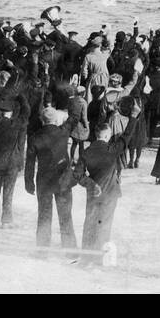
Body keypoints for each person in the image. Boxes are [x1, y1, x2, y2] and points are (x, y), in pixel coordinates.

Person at [76, 122, 129, 266]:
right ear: (106, 135)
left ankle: (86, 257)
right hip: (110, 194)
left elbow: (77, 175)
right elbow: (126, 137)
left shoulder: (86, 152)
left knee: (89, 224)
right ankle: (100, 259)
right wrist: (133, 118)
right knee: (105, 224)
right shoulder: (111, 149)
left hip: (93, 194)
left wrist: (91, 184)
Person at [32, 107, 78, 251]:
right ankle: (70, 251)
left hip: (44, 180)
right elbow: (73, 119)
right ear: (56, 120)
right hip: (62, 180)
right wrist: (74, 104)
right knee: (66, 217)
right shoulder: (63, 132)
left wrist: (28, 182)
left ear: (42, 120)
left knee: (44, 216)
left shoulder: (35, 136)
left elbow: (29, 161)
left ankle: (42, 250)